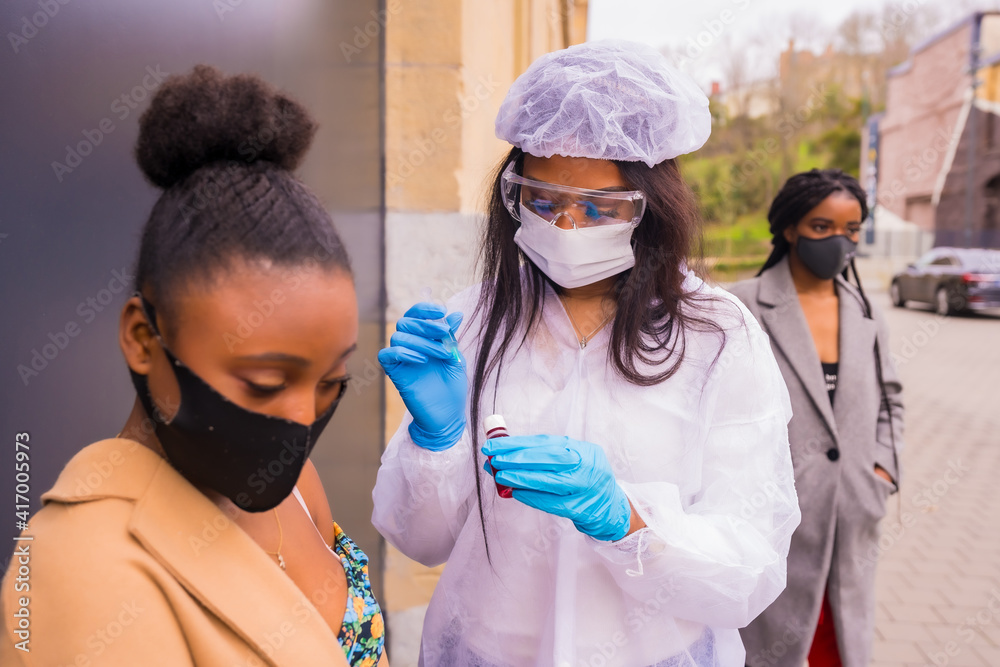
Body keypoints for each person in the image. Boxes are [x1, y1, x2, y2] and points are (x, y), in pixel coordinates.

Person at [372, 40, 800, 667]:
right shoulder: (471, 322)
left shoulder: (716, 336)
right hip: (487, 651)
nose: (566, 227)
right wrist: (434, 443)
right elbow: (420, 541)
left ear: (655, 206)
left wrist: (626, 520)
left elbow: (750, 566)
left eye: (600, 208)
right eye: (544, 202)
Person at [0, 66, 386, 667]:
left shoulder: (292, 488)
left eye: (332, 382)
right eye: (265, 382)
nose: (302, 419)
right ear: (142, 340)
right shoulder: (81, 567)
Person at [728, 169, 904, 667]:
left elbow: (891, 400)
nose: (839, 242)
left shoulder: (866, 312)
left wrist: (883, 472)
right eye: (822, 227)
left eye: (851, 231)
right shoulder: (742, 306)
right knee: (767, 647)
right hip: (773, 522)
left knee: (838, 646)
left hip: (851, 515)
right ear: (789, 229)